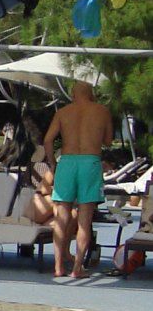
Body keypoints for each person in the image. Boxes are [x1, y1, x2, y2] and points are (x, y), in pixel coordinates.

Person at [42, 82, 114, 282]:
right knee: (85, 219)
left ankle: (57, 266)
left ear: (73, 94)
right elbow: (108, 141)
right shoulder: (101, 111)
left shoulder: (64, 112)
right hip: (90, 162)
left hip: (67, 162)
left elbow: (47, 140)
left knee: (61, 217)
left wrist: (53, 164)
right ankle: (77, 267)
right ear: (91, 93)